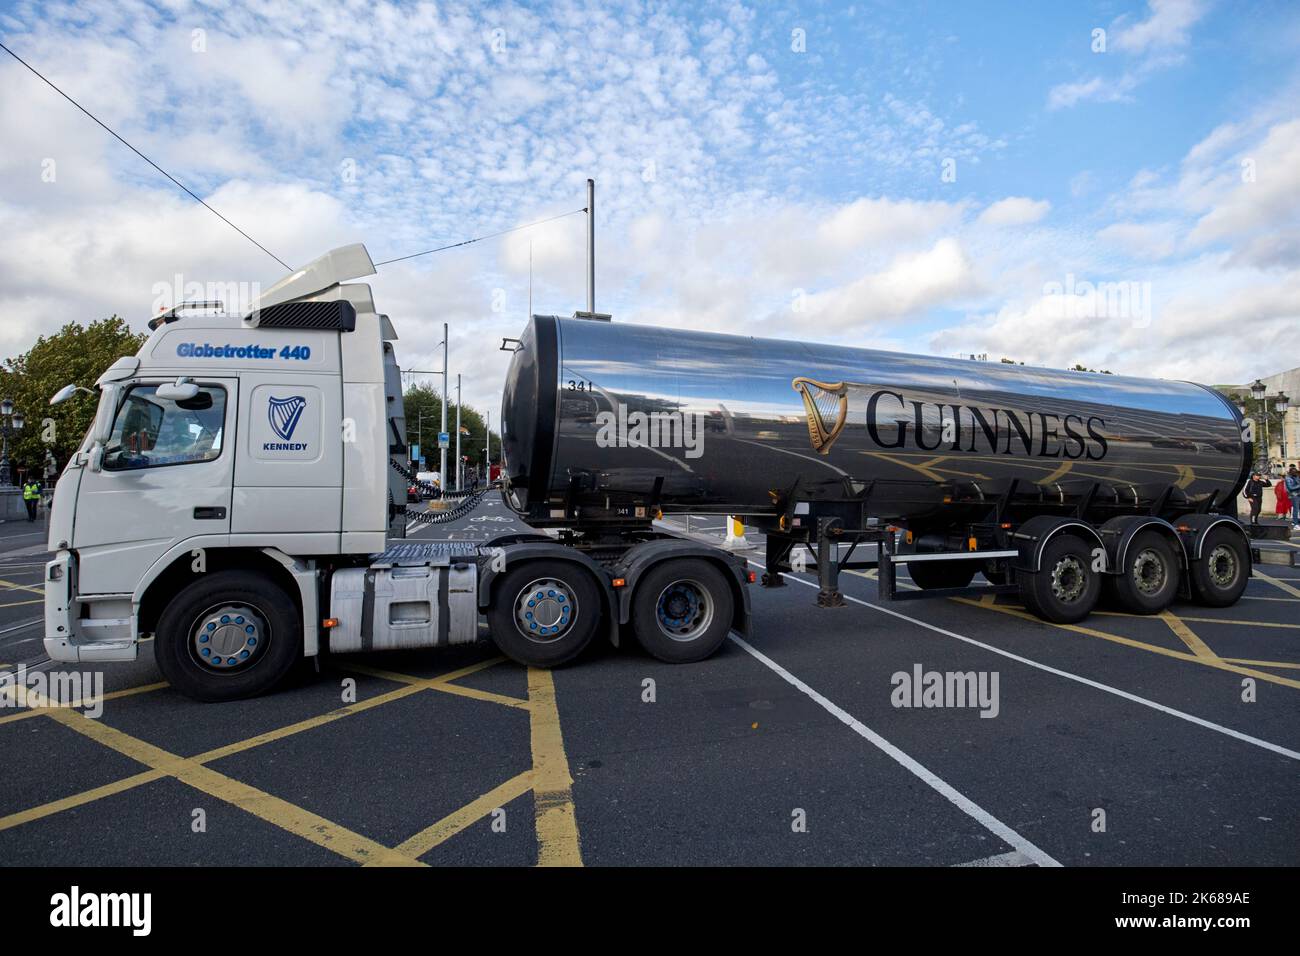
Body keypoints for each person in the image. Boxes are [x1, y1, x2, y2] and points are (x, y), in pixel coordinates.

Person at [1286, 464, 1300, 529]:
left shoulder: (1296, 477)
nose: (1296, 473)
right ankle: (1295, 524)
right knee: (1296, 509)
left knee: (1298, 509)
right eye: (1294, 472)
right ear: (1291, 472)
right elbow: (1290, 488)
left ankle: (1296, 522)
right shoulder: (1288, 478)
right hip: (1294, 495)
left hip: (1298, 494)